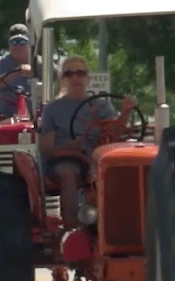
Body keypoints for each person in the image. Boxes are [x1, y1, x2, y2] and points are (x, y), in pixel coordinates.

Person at [36, 54, 136, 226]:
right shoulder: (52, 109)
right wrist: (73, 148)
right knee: (68, 172)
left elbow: (116, 133)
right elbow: (47, 149)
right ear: (62, 79)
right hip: (66, 160)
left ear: (88, 78)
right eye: (69, 74)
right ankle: (72, 226)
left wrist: (126, 112)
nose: (75, 77)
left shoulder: (102, 105)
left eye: (80, 73)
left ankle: (125, 225)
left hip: (98, 158)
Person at [0, 24, 35, 116]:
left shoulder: (39, 62)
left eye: (22, 42)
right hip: (4, 116)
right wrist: (17, 72)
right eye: (14, 42)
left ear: (29, 44)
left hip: (36, 116)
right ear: (9, 45)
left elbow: (59, 77)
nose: (18, 46)